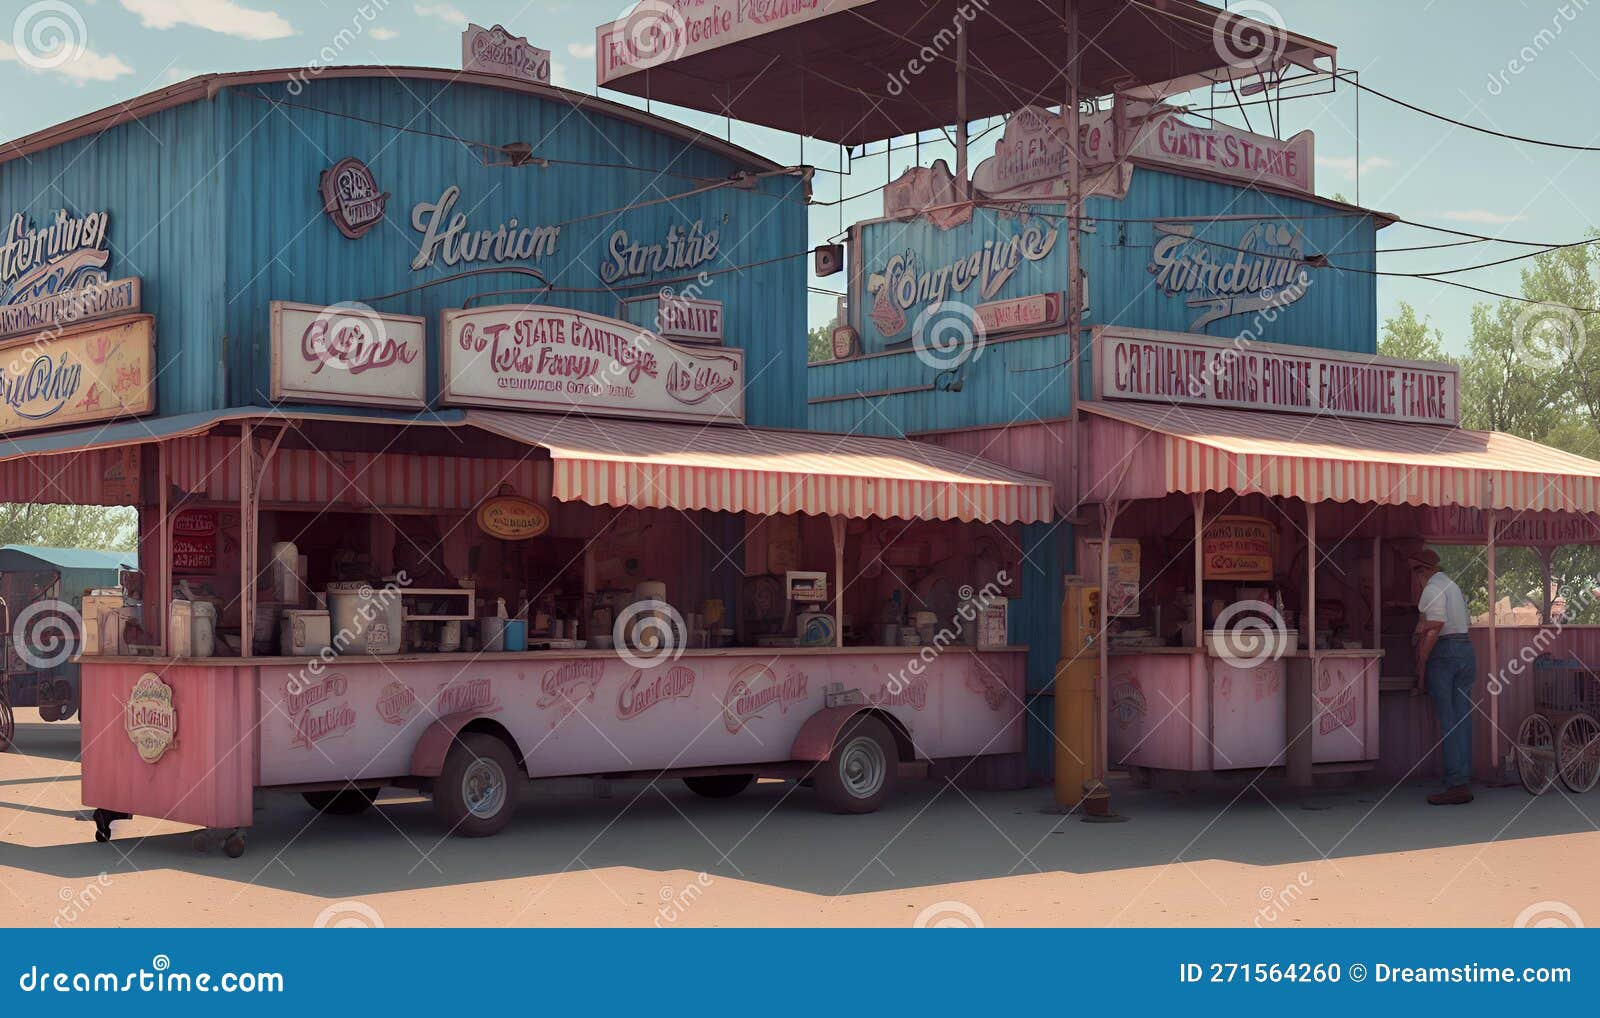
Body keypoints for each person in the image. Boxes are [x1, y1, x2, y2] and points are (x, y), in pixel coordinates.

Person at [1410, 549, 1475, 805]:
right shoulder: (1452, 586)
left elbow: (1436, 624)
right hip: (1465, 650)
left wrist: (1422, 662)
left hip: (1445, 652)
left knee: (1449, 720)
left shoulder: (1431, 588)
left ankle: (1456, 784)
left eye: (1415, 572)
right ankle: (1463, 778)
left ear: (1422, 571)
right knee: (1462, 719)